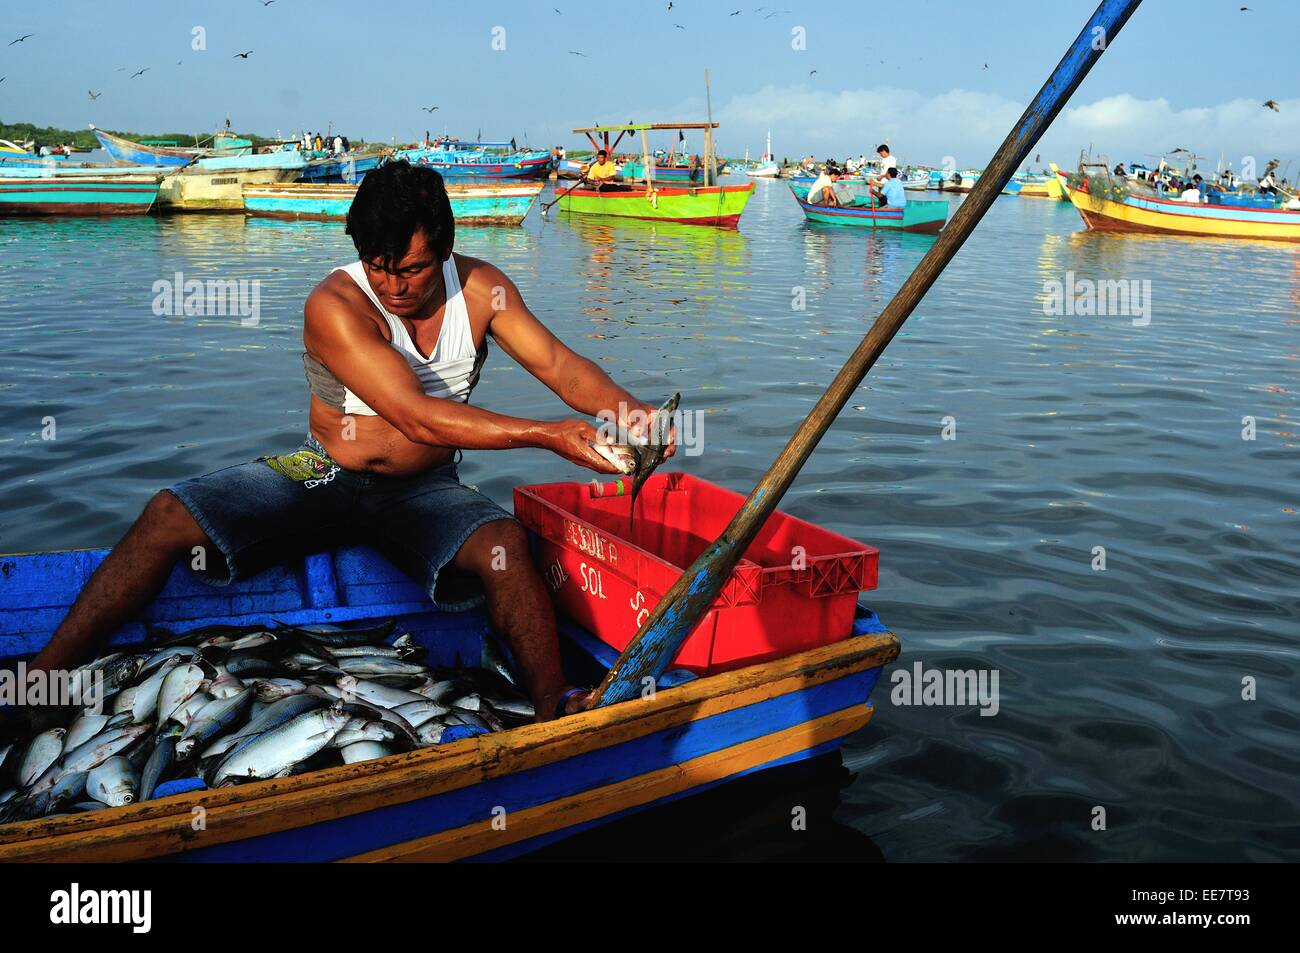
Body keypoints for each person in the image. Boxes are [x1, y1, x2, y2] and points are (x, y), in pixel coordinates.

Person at [20, 161, 674, 725]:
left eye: (412, 269)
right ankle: (41, 687)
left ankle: (554, 706)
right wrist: (546, 434)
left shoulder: (484, 291)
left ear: (444, 249)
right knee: (166, 515)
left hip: (425, 491)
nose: (394, 286)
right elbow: (416, 416)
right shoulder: (335, 302)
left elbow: (560, 366)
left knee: (505, 545)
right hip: (321, 470)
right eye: (379, 267)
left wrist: (633, 414)